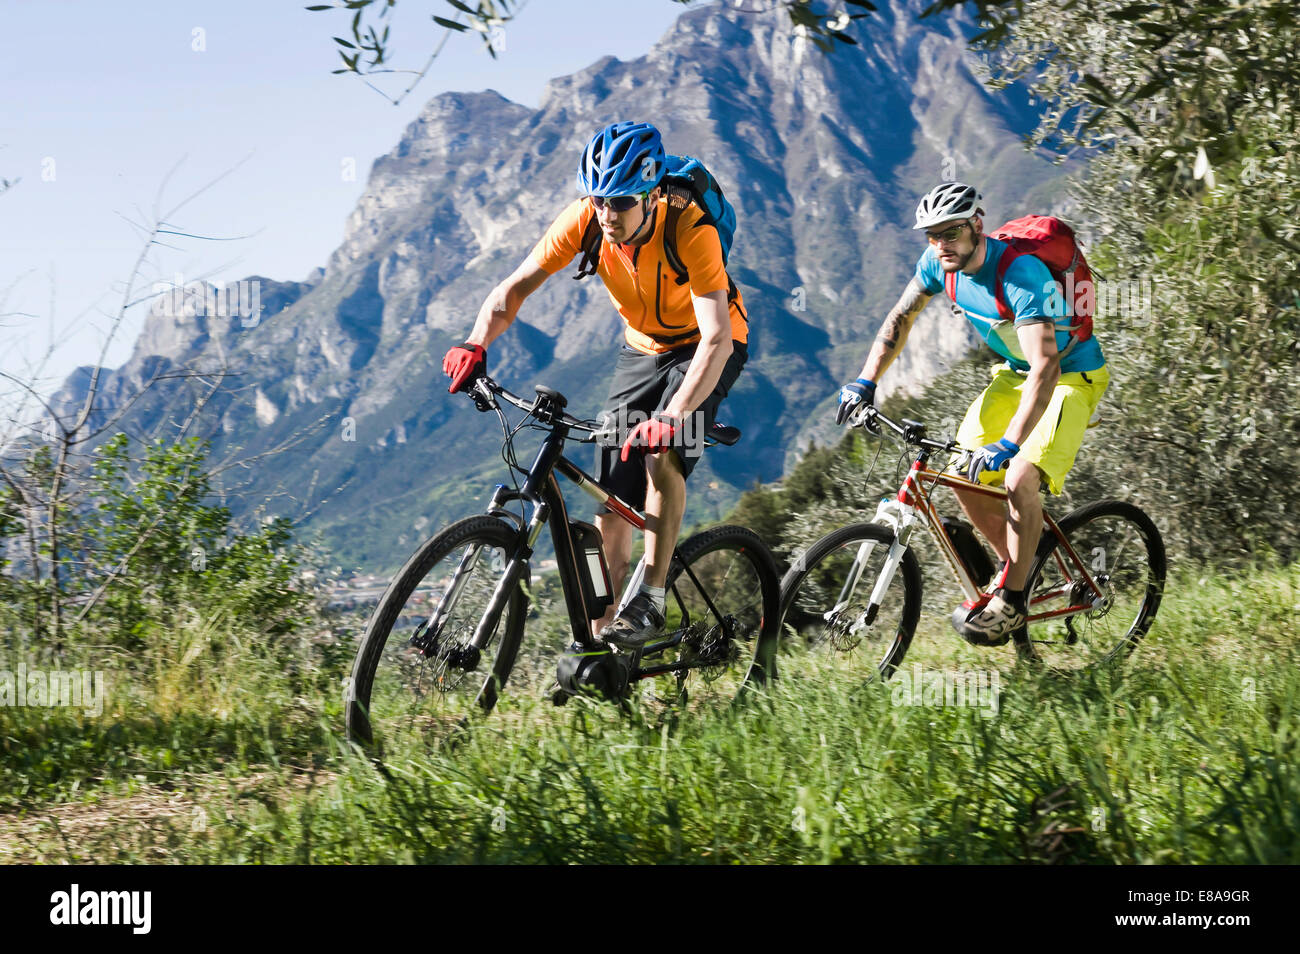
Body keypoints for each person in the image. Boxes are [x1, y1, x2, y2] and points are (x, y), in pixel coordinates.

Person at [442, 120, 749, 649]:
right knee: (610, 501)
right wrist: (475, 342)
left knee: (662, 454)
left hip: (708, 347)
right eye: (599, 199)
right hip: (642, 349)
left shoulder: (690, 228)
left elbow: (717, 338)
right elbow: (514, 288)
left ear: (652, 194)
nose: (608, 215)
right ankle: (601, 647)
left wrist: (672, 417)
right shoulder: (585, 221)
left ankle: (650, 600)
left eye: (622, 201)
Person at [836, 181, 1109, 646]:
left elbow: (1047, 368)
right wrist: (866, 380)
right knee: (965, 467)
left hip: (1071, 377)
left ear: (976, 226)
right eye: (932, 235)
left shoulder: (1021, 276)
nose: (942, 244)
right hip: (1016, 374)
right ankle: (1024, 565)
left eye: (952, 232)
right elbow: (901, 317)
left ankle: (1014, 600)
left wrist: (1009, 445)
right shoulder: (939, 265)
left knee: (1019, 475)